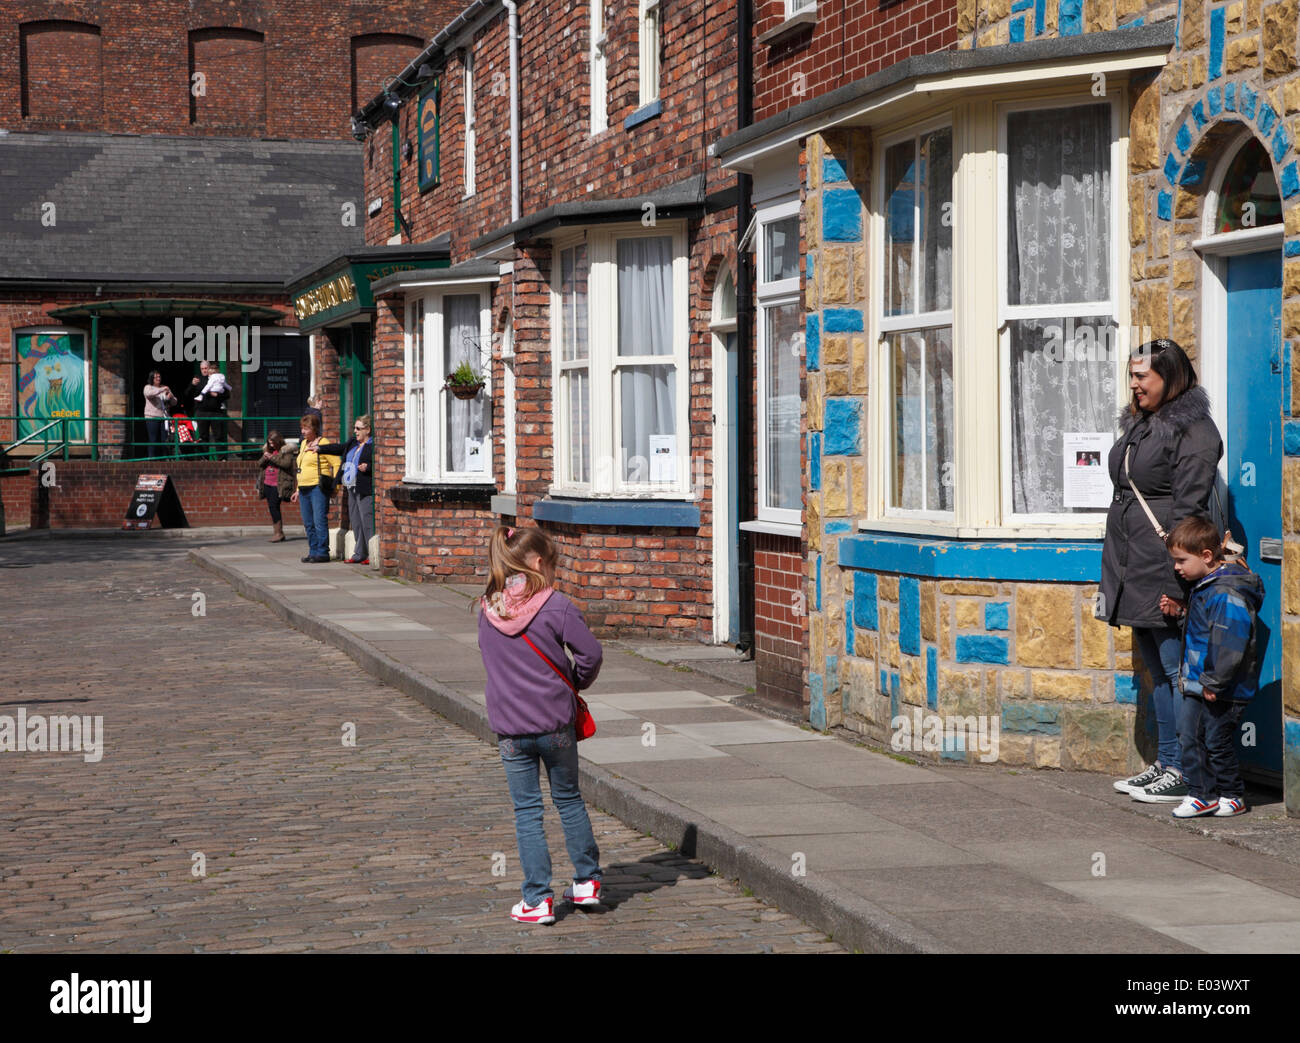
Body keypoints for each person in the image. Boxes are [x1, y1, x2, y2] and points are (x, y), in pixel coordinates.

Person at [1101, 339, 1223, 804]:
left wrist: (1180, 576)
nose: (1134, 385)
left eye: (1142, 377)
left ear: (1169, 377)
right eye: (1132, 376)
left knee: (1177, 671)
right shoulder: (1144, 422)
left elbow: (1190, 509)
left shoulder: (1193, 430)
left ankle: (1187, 769)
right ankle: (1168, 761)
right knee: (1157, 669)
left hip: (1163, 565)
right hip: (1133, 563)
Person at [477, 526, 603, 925]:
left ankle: (537, 899)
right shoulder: (557, 606)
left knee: (527, 811)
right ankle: (586, 882)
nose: (555, 574)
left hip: (511, 728)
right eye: (553, 566)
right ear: (536, 563)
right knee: (568, 800)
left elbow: (492, 664)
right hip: (555, 725)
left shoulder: (487, 609)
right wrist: (576, 681)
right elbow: (591, 654)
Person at [1164, 515, 1263, 818]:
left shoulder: (1225, 591)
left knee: (1215, 741)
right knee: (1190, 736)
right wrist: (1180, 614)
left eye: (1182, 560)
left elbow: (1230, 642)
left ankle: (1232, 795)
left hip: (1221, 688)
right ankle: (1202, 794)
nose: (1177, 567)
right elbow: (1205, 632)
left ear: (1207, 556)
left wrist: (1214, 682)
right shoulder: (1205, 585)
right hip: (1200, 682)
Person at [322, 415, 374, 565]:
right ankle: (359, 554)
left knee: (366, 521)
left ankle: (370, 554)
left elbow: (376, 462)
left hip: (363, 486)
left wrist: (368, 467)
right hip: (350, 485)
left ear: (368, 430)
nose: (355, 431)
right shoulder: (353, 443)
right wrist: (320, 449)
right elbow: (338, 448)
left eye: (358, 428)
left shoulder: (371, 445)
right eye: (354, 428)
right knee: (356, 521)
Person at [289, 413, 331, 563]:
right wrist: (298, 489)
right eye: (302, 428)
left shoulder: (323, 442)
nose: (303, 431)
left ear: (314, 428)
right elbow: (301, 467)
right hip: (304, 488)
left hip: (317, 487)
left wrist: (337, 485)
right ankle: (313, 551)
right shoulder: (303, 444)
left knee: (319, 520)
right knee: (308, 522)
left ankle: (323, 552)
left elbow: (336, 463)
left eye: (306, 428)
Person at [257, 431, 297, 543]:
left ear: (278, 441)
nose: (271, 445)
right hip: (267, 483)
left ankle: (278, 533)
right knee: (271, 507)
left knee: (274, 506)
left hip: (279, 484)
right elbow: (259, 464)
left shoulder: (286, 451)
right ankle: (278, 532)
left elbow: (286, 464)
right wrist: (265, 458)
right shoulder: (268, 450)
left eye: (273, 443)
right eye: (269, 443)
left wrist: (272, 457)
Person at [190, 360, 232, 458]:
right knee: (203, 436)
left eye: (206, 368)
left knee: (219, 436)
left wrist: (217, 395)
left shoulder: (218, 378)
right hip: (202, 412)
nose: (204, 371)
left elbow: (227, 394)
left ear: (210, 368)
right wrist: (192, 385)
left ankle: (222, 459)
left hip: (216, 412)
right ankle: (204, 458)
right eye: (202, 369)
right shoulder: (198, 379)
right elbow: (188, 394)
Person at [142, 370, 176, 458]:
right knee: (153, 439)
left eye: (159, 377)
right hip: (152, 417)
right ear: (152, 378)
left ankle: (164, 459)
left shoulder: (164, 387)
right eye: (156, 377)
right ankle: (152, 459)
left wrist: (171, 396)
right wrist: (161, 390)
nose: (158, 378)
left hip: (164, 417)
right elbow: (149, 394)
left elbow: (174, 402)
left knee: (164, 439)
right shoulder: (148, 387)